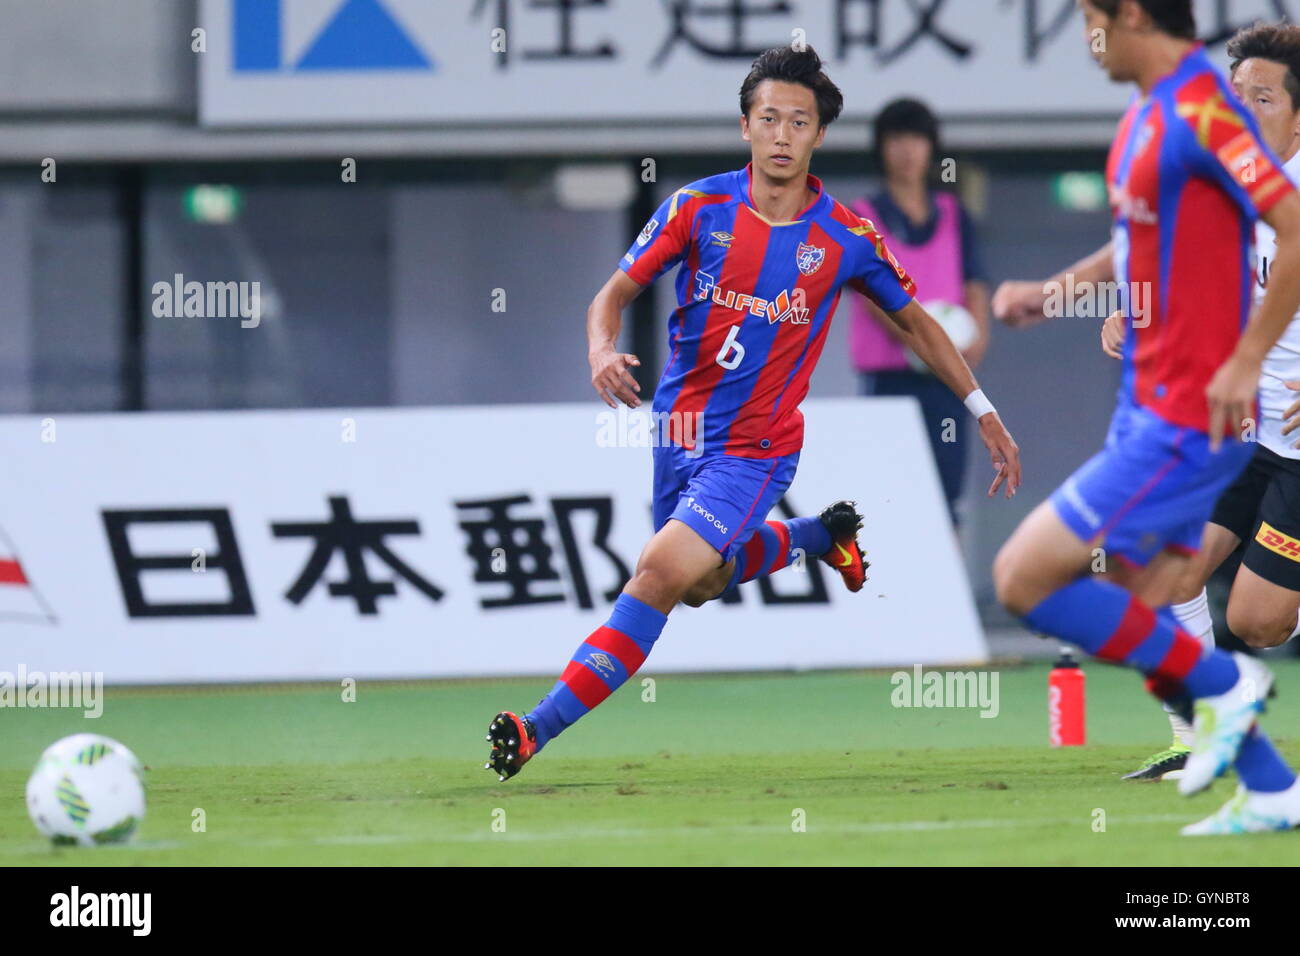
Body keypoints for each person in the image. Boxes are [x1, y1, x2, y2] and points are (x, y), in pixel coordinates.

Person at [484, 45, 1021, 781]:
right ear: (745, 126)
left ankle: (535, 726)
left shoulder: (846, 237)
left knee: (658, 573)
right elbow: (609, 297)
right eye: (768, 118)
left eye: (797, 121)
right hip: (677, 433)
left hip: (758, 447)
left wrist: (982, 409)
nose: (781, 134)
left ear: (817, 136)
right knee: (700, 584)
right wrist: (600, 350)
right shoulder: (697, 209)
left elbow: (921, 325)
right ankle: (818, 536)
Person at [992, 0, 1300, 835]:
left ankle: (1225, 691)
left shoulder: (1203, 107)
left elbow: (1292, 228)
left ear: (1131, 13)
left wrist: (1241, 360)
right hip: (1161, 412)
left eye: (1092, 17)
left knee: (1029, 577)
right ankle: (1272, 785)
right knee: (1156, 585)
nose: (1085, 36)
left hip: (1191, 420)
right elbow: (1140, 244)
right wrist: (1054, 293)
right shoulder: (1146, 118)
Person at [1097, 21, 1300, 783]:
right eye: (1236, 96)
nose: (1245, 111)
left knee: (1256, 619)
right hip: (1238, 432)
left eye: (1265, 97)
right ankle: (1199, 734)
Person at [848, 98, 991, 526]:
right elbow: (868, 293)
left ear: (931, 147)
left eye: (916, 139)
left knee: (946, 498)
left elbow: (975, 283)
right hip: (889, 379)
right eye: (896, 140)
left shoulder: (953, 213)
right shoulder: (861, 216)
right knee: (888, 497)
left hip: (947, 376)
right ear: (881, 148)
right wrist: (919, 334)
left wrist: (978, 338)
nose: (907, 150)